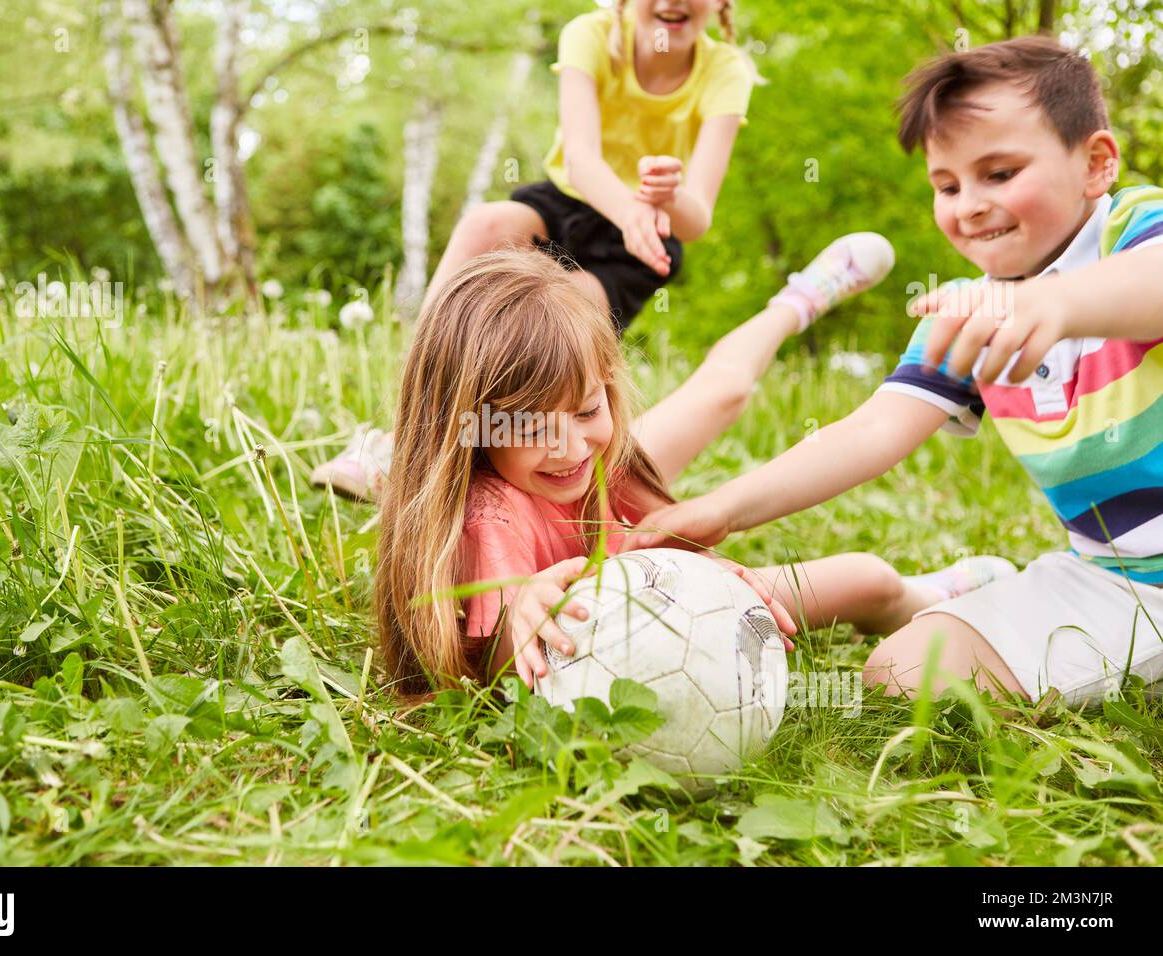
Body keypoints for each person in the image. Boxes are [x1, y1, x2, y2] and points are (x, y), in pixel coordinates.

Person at [622, 37, 1163, 707]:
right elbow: (872, 431)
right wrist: (725, 509)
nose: (968, 205)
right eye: (948, 185)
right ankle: (975, 591)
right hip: (1117, 582)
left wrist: (1051, 302)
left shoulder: (1138, 233)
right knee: (902, 674)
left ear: (1096, 164)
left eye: (999, 174)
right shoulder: (963, 315)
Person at [375, 250, 1014, 696]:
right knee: (868, 579)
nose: (570, 444)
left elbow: (587, 467)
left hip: (615, 519)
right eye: (534, 425)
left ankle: (801, 298)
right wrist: (522, 617)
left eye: (588, 407)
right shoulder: (493, 514)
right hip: (640, 620)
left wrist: (712, 574)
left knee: (723, 391)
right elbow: (497, 647)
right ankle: (934, 595)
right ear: (472, 427)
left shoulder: (579, 454)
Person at [314, 0, 758, 501]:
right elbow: (582, 158)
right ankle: (403, 440)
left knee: (562, 313)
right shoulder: (588, 35)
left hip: (642, 238)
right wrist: (627, 207)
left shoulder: (727, 70)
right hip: (573, 199)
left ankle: (522, 469)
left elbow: (697, 215)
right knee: (487, 223)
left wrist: (666, 195)